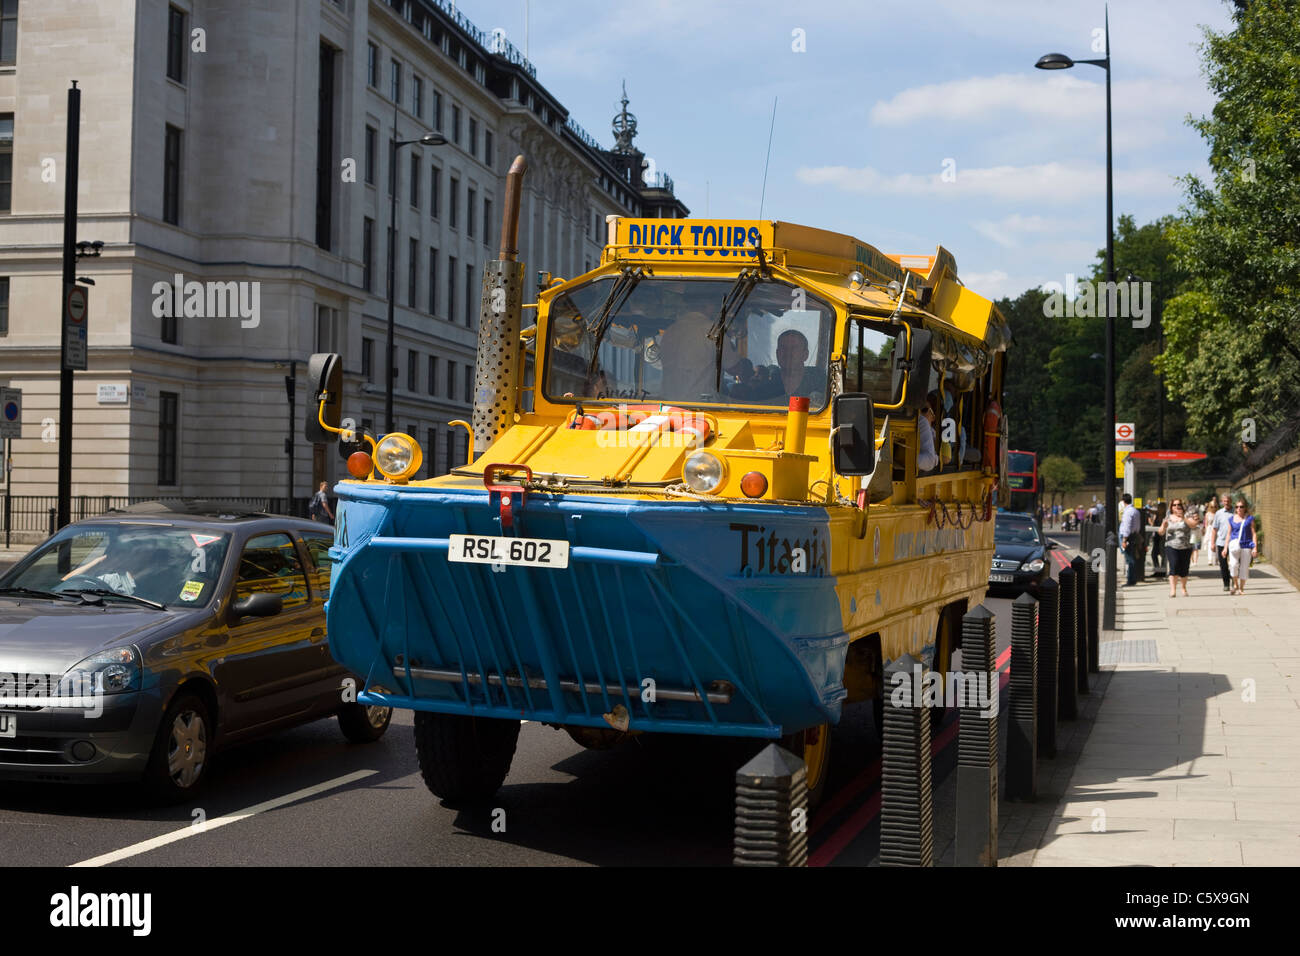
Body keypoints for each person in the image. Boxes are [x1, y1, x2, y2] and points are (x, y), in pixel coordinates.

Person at [1159, 499, 1198, 597]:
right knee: (1174, 565)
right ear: (1171, 507)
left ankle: (1184, 588)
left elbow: (1193, 525)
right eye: (1174, 505)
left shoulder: (1188, 516)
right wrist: (1164, 526)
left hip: (1186, 546)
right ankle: (1173, 590)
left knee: (1184, 568)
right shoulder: (1168, 517)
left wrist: (1183, 518)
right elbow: (1161, 532)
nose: (1177, 507)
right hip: (1171, 545)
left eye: (1179, 504)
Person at [1223, 498, 1258, 595]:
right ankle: (1235, 584)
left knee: (1244, 567)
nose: (1239, 508)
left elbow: (1253, 533)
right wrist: (1225, 548)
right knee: (1233, 565)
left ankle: (1241, 588)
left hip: (1246, 545)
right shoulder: (1231, 519)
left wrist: (1255, 547)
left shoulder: (1249, 518)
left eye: (1241, 507)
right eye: (1237, 507)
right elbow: (1229, 534)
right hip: (1234, 545)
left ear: (1245, 508)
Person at [1211, 492, 1234, 592]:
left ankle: (1234, 581)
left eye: (1228, 501)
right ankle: (1226, 583)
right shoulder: (1218, 513)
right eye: (1224, 501)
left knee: (1234, 564)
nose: (1226, 503)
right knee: (1223, 565)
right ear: (1222, 502)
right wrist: (1212, 543)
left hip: (1234, 542)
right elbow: (1214, 529)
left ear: (1231, 501)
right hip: (1221, 542)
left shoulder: (1236, 512)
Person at [1118, 493, 1142, 587]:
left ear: (1123, 501)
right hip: (1134, 535)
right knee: (1131, 557)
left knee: (1129, 559)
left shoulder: (1128, 512)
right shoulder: (1135, 511)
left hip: (1127, 537)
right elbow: (1137, 526)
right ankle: (1132, 578)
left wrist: (1124, 540)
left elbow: (1127, 526)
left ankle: (1131, 580)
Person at [917, 392, 940, 474]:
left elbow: (930, 460)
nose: (918, 413)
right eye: (916, 409)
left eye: (923, 410)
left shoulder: (935, 436)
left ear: (933, 416)